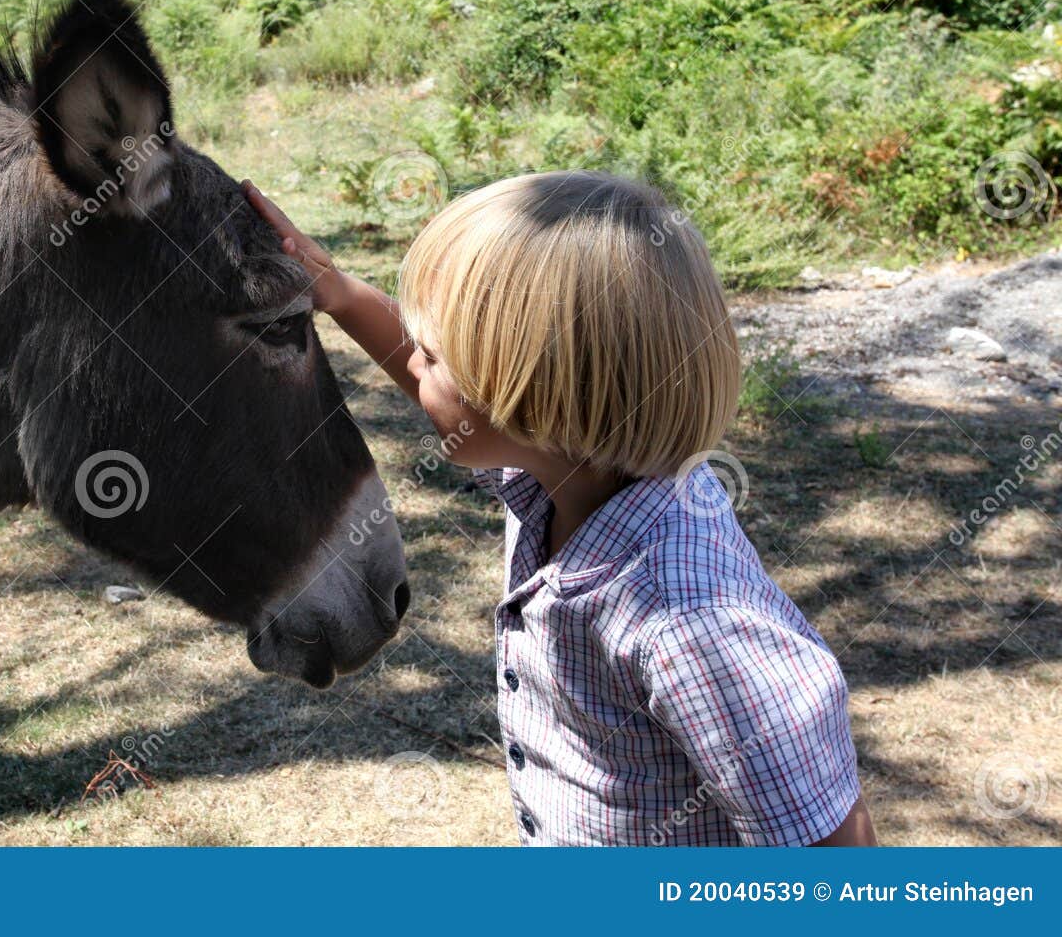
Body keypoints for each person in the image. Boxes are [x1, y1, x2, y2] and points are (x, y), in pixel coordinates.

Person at [243, 170, 875, 847]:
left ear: (527, 393)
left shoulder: (689, 623)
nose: (413, 362)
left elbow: (834, 850)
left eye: (431, 353)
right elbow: (462, 399)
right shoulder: (560, 471)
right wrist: (335, 292)